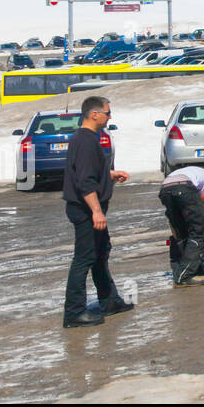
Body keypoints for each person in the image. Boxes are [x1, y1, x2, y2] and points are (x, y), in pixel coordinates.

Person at [61, 95, 133, 328]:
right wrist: (96, 211)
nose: (109, 116)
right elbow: (84, 181)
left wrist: (110, 175)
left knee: (101, 253)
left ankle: (109, 301)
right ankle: (74, 312)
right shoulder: (85, 140)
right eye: (107, 112)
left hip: (91, 207)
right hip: (85, 209)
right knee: (84, 258)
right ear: (94, 114)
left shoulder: (90, 139)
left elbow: (88, 171)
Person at [159, 165, 204, 286]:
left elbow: (174, 225)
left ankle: (184, 270)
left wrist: (178, 237)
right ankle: (184, 275)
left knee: (182, 234)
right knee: (200, 233)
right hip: (183, 186)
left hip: (165, 187)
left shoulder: (199, 181)